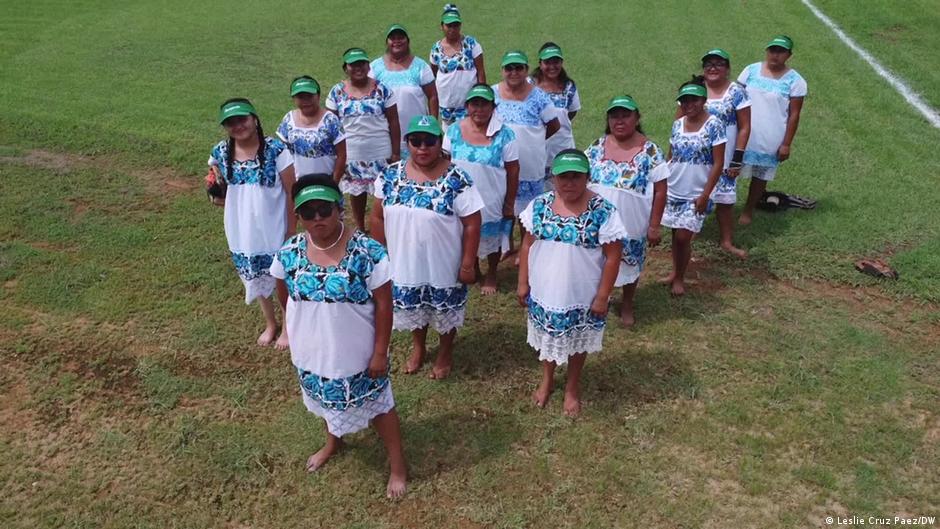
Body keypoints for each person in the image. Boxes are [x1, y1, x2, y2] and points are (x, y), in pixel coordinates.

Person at [269, 174, 407, 499]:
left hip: (357, 351)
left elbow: (384, 305)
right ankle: (334, 442)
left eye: (324, 210)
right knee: (324, 399)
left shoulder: (368, 252)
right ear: (298, 215)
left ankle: (398, 465)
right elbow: (283, 290)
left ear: (339, 208)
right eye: (308, 212)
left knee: (379, 408)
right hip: (313, 350)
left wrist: (380, 352)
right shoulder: (289, 251)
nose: (317, 218)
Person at [371, 115, 483, 380]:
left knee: (444, 309)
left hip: (443, 262)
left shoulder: (457, 179)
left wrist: (468, 263)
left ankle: (445, 351)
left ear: (439, 142)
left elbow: (472, 223)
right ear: (407, 143)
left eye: (429, 141)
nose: (423, 147)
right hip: (404, 260)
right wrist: (379, 254)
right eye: (416, 141)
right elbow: (377, 216)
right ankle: (419, 347)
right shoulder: (390, 175)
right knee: (413, 307)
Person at [517, 150, 625, 417]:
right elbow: (527, 245)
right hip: (545, 289)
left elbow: (613, 257)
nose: (569, 183)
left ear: (587, 177)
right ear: (553, 178)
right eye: (563, 177)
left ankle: (572, 387)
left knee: (577, 341)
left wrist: (602, 296)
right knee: (548, 337)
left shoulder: (603, 211)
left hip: (582, 293)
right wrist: (523, 282)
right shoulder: (540, 205)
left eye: (576, 176)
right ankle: (547, 379)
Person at [208, 98, 295, 348]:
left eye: (242, 119)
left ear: (254, 119)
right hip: (241, 227)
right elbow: (217, 184)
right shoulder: (221, 153)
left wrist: (290, 229)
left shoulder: (276, 150)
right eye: (231, 123)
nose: (238, 126)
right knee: (254, 275)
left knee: (280, 277)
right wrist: (216, 193)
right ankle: (270, 323)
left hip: (273, 226)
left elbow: (292, 192)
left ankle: (287, 326)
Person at [586, 95, 668, 327]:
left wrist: (654, 225)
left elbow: (661, 191)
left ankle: (627, 302)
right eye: (614, 116)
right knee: (595, 259)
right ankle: (598, 298)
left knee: (630, 261)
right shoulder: (596, 146)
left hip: (632, 220)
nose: (619, 121)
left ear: (637, 118)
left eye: (625, 115)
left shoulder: (650, 151)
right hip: (598, 221)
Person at [443, 84, 520, 295]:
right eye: (474, 104)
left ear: (493, 107)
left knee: (492, 236)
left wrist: (509, 203)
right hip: (462, 196)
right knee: (467, 232)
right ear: (467, 106)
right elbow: (445, 162)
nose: (479, 109)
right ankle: (474, 267)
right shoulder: (454, 130)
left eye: (484, 104)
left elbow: (513, 170)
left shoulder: (505, 135)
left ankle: (492, 272)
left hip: (491, 196)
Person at [326, 48, 401, 232]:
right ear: (346, 68)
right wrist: (334, 156)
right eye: (353, 65)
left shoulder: (383, 89)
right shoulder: (336, 92)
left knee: (383, 192)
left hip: (380, 151)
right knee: (356, 192)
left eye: (362, 64)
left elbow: (393, 121)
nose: (358, 68)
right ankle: (360, 228)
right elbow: (330, 126)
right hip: (352, 153)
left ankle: (383, 230)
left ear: (368, 66)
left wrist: (395, 152)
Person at [736, 35, 807, 225]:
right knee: (730, 170)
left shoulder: (796, 81)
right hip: (742, 132)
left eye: (781, 51)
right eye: (772, 50)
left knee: (760, 176)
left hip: (770, 136)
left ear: (789, 55)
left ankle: (748, 210)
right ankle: (724, 206)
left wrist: (786, 144)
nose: (775, 55)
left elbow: (794, 115)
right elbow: (734, 98)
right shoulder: (750, 71)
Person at [664, 82, 726, 296]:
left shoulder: (714, 124)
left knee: (683, 236)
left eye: (694, 100)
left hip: (697, 191)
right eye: (684, 101)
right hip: (675, 187)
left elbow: (718, 162)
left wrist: (706, 194)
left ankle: (680, 277)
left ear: (703, 101)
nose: (689, 104)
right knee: (675, 234)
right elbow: (671, 155)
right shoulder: (677, 124)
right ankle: (675, 271)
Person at [493, 50, 561, 215]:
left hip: (529, 168)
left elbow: (554, 125)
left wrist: (534, 141)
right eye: (509, 68)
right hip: (499, 165)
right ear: (502, 70)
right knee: (501, 214)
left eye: (519, 68)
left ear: (526, 70)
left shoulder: (539, 97)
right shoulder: (492, 94)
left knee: (529, 215)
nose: (514, 72)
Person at [698, 49, 750, 257]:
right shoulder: (695, 88)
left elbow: (745, 127)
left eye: (719, 64)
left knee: (725, 201)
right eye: (709, 64)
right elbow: (679, 121)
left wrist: (737, 158)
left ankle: (726, 241)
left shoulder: (736, 92)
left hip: (726, 155)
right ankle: (688, 235)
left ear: (727, 69)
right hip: (697, 154)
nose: (713, 68)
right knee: (694, 194)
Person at [370, 24, 439, 158]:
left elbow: (432, 96)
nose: (397, 41)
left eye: (401, 38)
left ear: (408, 41)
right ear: (387, 42)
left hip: (417, 137)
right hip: (385, 137)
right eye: (393, 38)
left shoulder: (420, 67)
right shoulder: (375, 67)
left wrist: (432, 125)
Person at [277, 76, 346, 183]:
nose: (306, 101)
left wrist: (334, 182)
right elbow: (280, 153)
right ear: (294, 99)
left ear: (318, 96)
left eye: (309, 96)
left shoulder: (331, 120)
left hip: (325, 183)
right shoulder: (288, 120)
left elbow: (342, 154)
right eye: (300, 97)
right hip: (298, 184)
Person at [530, 42, 581, 186]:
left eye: (556, 62)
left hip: (562, 146)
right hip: (535, 148)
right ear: (540, 64)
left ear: (561, 63)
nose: (552, 66)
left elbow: (572, 111)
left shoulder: (569, 86)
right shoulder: (529, 85)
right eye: (547, 62)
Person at [429, 4, 486, 127]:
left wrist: (481, 99)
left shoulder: (471, 44)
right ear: (442, 26)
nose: (452, 29)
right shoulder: (436, 49)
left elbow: (481, 72)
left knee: (469, 132)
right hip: (446, 105)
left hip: (468, 104)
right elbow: (432, 74)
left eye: (455, 25)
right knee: (449, 134)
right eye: (449, 25)